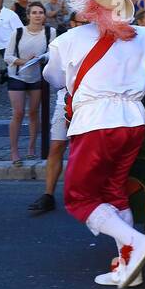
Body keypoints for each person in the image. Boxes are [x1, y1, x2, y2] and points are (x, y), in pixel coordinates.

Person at [42, 0, 145, 289]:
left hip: (95, 121)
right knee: (114, 189)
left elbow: (54, 78)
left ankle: (133, 242)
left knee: (79, 197)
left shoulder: (67, 40)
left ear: (90, 9)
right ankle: (128, 267)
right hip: (134, 120)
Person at [28, 12, 88, 215]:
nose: (86, 26)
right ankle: (48, 194)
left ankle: (85, 195)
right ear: (72, 23)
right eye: (82, 22)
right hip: (66, 98)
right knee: (57, 146)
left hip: (88, 101)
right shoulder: (63, 42)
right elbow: (53, 74)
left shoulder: (95, 41)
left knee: (85, 149)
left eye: (88, 22)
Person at [3, 2, 54, 165]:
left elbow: (52, 52)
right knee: (17, 113)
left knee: (33, 113)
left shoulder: (49, 32)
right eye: (34, 12)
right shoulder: (17, 33)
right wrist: (24, 61)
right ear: (28, 15)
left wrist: (41, 59)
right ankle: (14, 152)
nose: (38, 15)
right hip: (17, 76)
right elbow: (7, 56)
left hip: (37, 77)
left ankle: (31, 148)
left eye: (41, 12)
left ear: (44, 15)